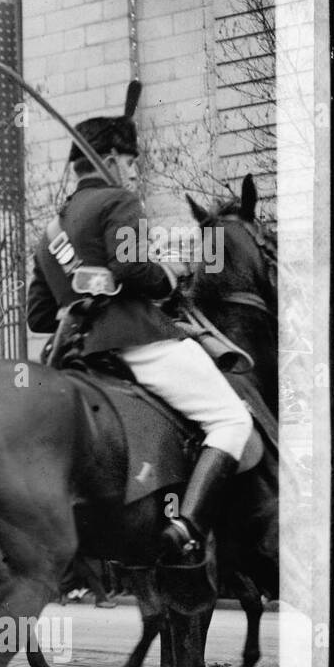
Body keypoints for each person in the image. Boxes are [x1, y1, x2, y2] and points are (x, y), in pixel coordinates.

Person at [25, 89, 253, 565]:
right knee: (232, 420)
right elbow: (133, 269)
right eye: (130, 162)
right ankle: (185, 528)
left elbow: (39, 317)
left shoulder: (51, 232)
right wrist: (169, 274)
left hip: (78, 355)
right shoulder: (118, 201)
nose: (133, 172)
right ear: (110, 159)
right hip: (136, 340)